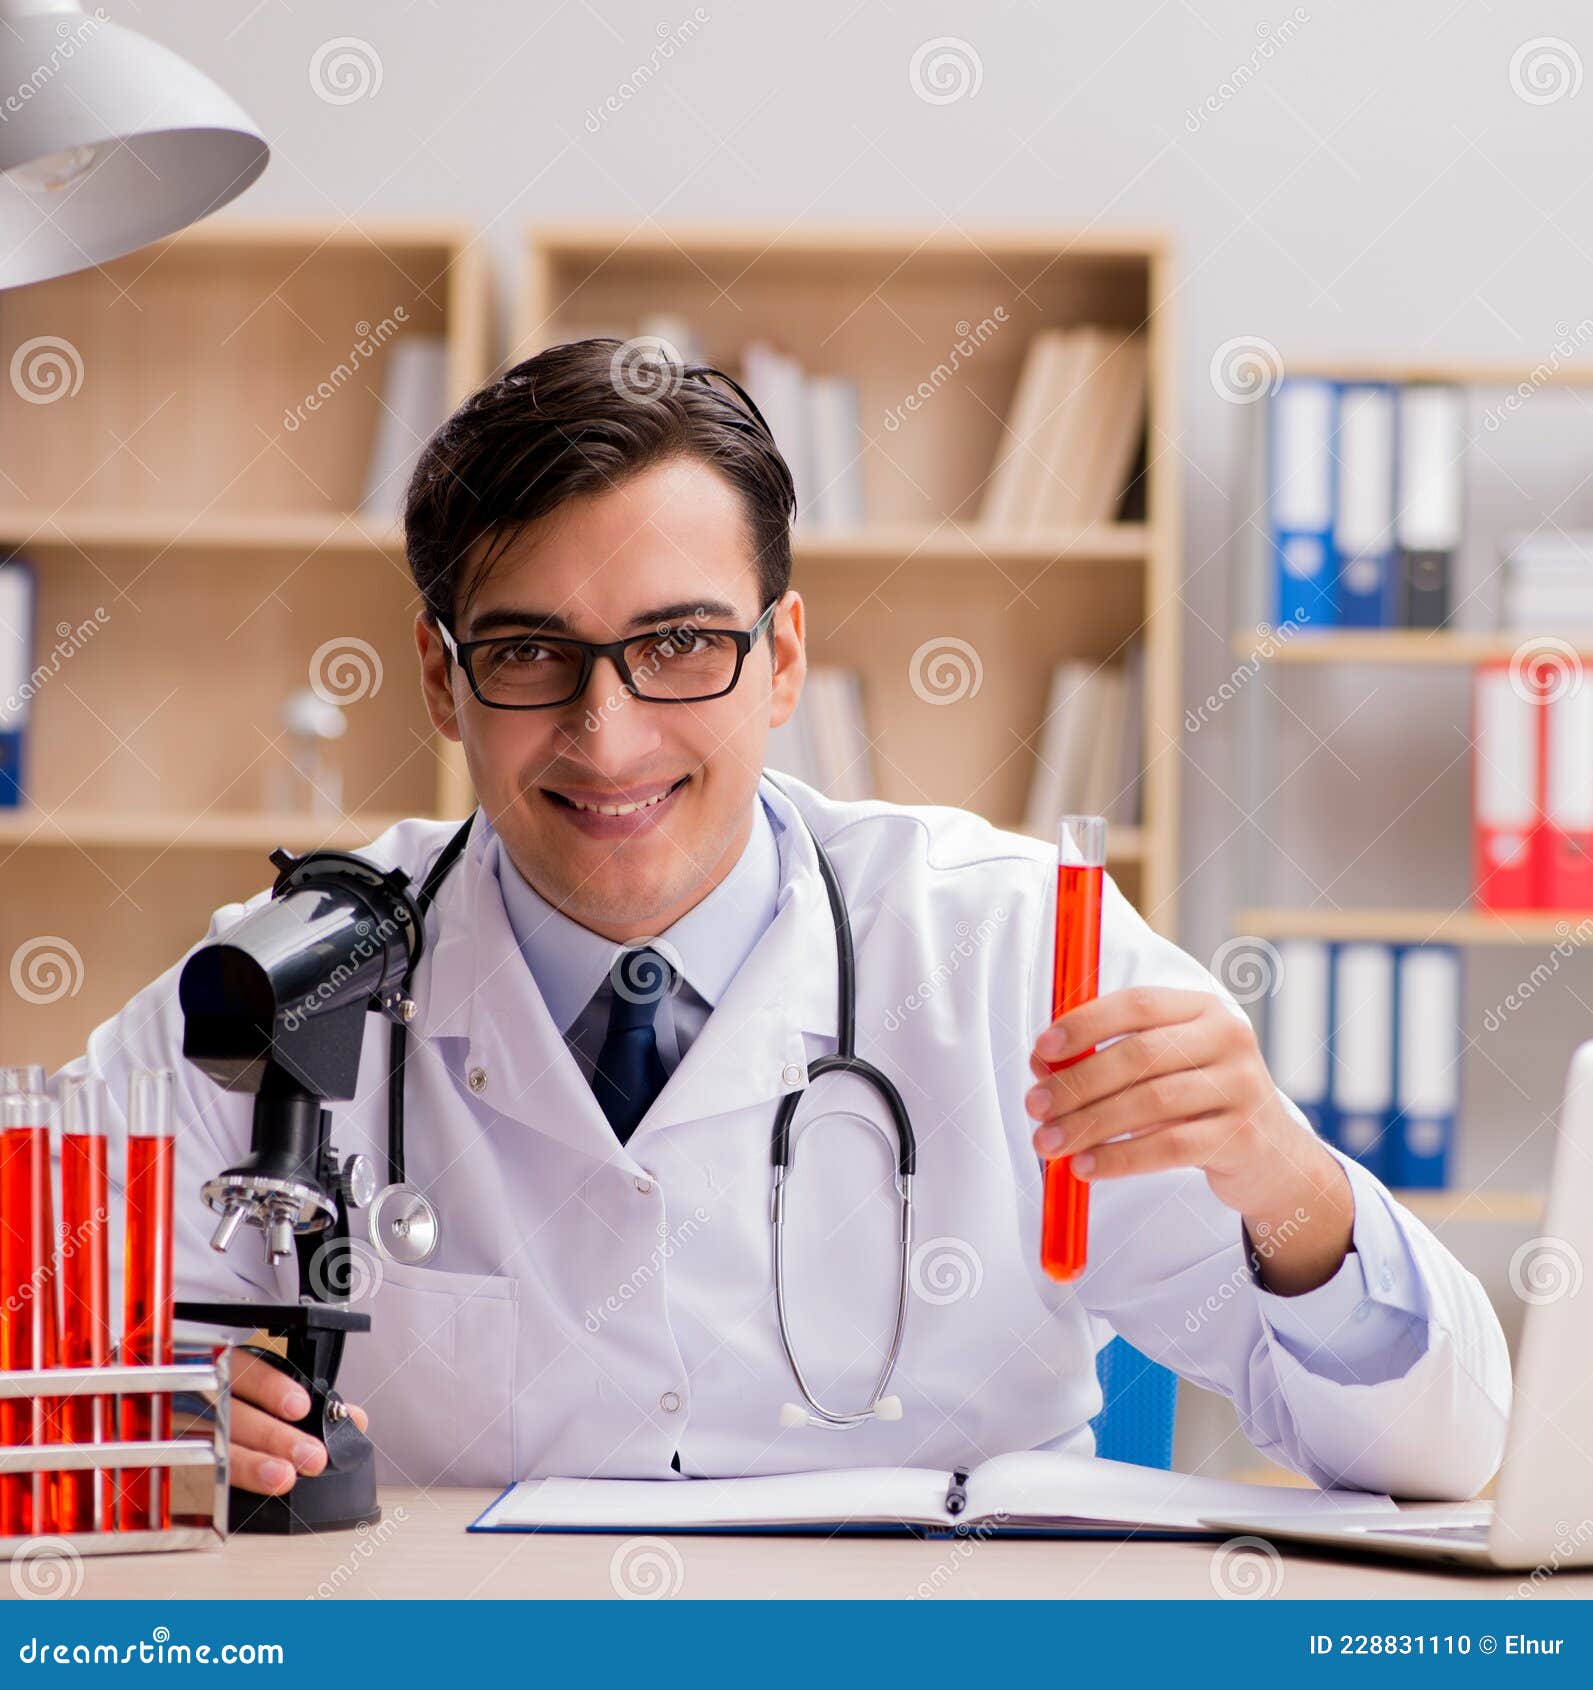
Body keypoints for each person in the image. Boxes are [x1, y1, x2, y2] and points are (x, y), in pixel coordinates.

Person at [54, 338, 1510, 1500]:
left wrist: (1295, 1197)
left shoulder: (1005, 948)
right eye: (529, 653)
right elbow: (40, 1331)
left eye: (678, 643)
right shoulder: (285, 976)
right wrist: (158, 1428)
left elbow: (1440, 1453)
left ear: (783, 654)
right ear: (442, 680)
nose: (606, 735)